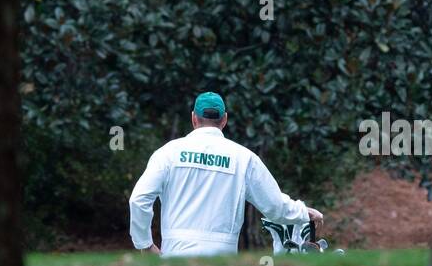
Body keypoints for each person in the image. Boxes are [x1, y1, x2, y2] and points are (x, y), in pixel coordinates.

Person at [129, 91, 321, 257]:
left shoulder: (167, 153)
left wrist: (144, 244)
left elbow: (139, 199)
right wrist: (303, 212)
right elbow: (274, 206)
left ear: (194, 118)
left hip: (175, 254)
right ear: (225, 120)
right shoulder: (244, 158)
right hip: (223, 258)